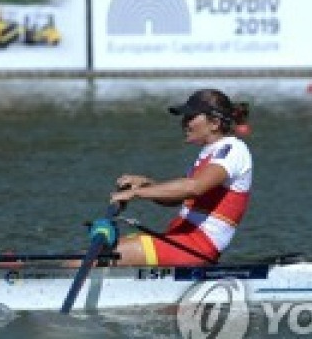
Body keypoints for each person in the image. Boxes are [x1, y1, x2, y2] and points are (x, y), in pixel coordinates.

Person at [105, 88, 252, 267]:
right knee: (100, 251)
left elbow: (194, 188)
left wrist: (137, 192)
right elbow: (179, 197)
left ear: (214, 123)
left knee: (93, 258)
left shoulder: (232, 150)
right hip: (180, 239)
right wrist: (146, 183)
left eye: (190, 117)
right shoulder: (209, 154)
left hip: (195, 246)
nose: (184, 123)